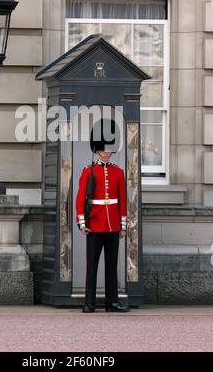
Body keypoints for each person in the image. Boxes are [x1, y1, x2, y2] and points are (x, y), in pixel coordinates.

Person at [76, 125, 130, 314]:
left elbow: (122, 200)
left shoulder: (118, 172)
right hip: (95, 224)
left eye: (109, 149)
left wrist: (122, 226)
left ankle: (111, 302)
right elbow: (80, 198)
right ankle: (89, 302)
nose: (107, 152)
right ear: (97, 150)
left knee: (111, 265)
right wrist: (82, 224)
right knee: (92, 266)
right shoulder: (88, 171)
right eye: (104, 149)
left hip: (113, 225)